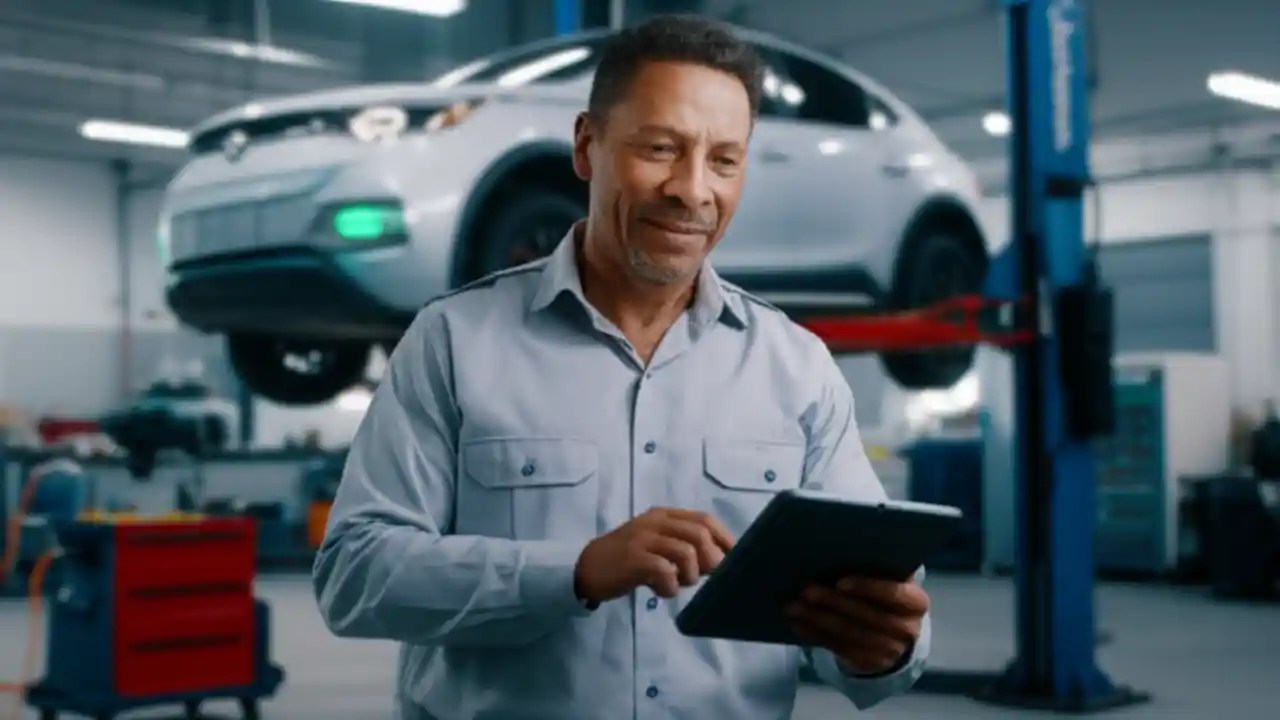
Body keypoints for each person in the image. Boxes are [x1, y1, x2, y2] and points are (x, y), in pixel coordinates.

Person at [313, 14, 931, 719]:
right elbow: (354, 576)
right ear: (586, 145)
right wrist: (574, 570)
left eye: (724, 160)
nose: (692, 190)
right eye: (661, 148)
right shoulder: (453, 342)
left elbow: (870, 635)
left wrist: (882, 649)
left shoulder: (797, 368)